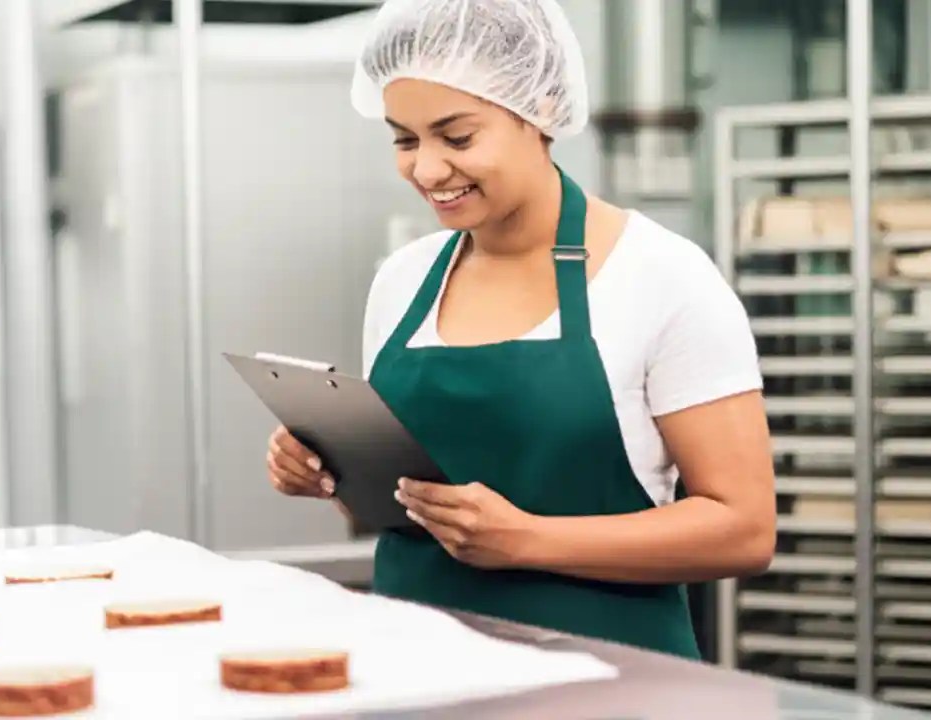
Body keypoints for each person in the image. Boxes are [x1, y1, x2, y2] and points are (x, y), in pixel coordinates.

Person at [264, 0, 774, 660]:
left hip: (611, 681)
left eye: (458, 137)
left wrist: (526, 539)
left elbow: (744, 530)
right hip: (421, 669)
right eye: (404, 139)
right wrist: (328, 470)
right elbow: (396, 512)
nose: (426, 169)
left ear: (540, 112)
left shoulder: (662, 276)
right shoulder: (402, 281)